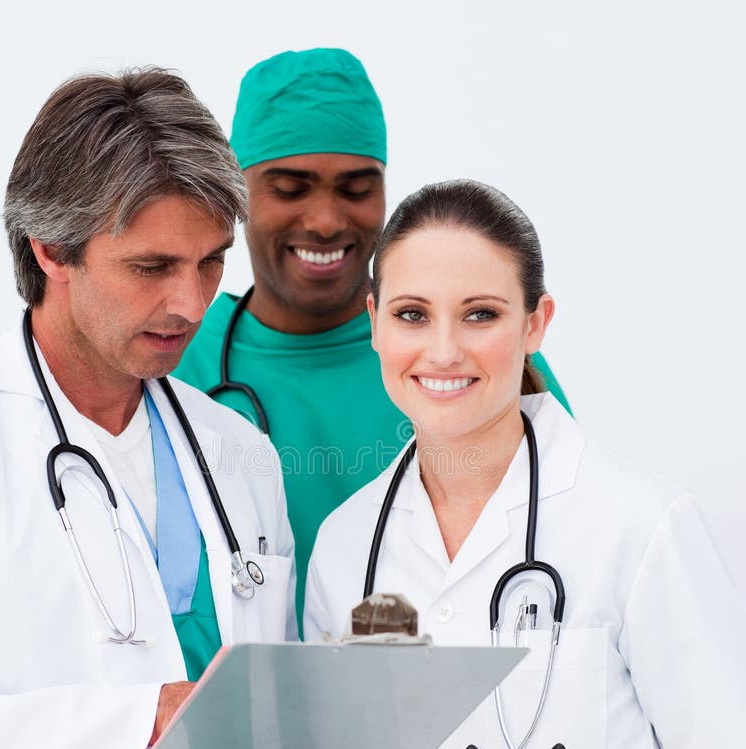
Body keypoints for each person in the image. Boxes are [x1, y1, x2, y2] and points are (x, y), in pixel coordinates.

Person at [0, 68, 365, 749]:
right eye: (152, 266)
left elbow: (279, 737)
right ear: (51, 249)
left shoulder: (236, 451)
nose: (191, 303)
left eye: (210, 263)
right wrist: (143, 723)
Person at [304, 179, 746, 749]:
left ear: (536, 324)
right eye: (412, 314)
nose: (443, 350)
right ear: (373, 322)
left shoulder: (639, 527)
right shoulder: (347, 545)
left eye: (480, 314)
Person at [176, 48, 572, 632]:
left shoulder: (471, 363)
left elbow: (570, 527)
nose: (326, 221)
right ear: (238, 194)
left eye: (356, 189)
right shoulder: (180, 359)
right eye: (290, 188)